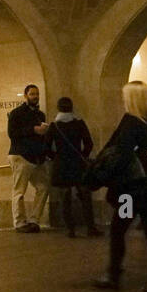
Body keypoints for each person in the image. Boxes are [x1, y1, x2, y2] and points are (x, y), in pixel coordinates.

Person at [92, 82, 147, 292]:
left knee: (119, 229)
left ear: (131, 100)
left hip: (131, 192)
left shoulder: (130, 123)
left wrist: (99, 177)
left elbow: (120, 156)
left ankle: (114, 275)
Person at [42, 97, 101, 238]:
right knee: (85, 196)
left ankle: (71, 229)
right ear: (71, 108)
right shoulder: (79, 124)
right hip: (78, 163)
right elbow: (89, 143)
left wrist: (55, 157)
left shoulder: (54, 126)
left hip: (61, 164)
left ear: (59, 108)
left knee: (65, 198)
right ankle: (90, 228)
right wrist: (83, 155)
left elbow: (45, 147)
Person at [7, 83, 49, 232]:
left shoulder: (40, 114)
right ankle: (19, 223)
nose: (35, 97)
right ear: (25, 96)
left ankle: (34, 220)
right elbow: (12, 133)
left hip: (35, 157)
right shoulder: (16, 113)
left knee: (43, 187)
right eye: (32, 94)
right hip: (20, 155)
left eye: (37, 94)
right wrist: (33, 130)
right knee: (19, 191)